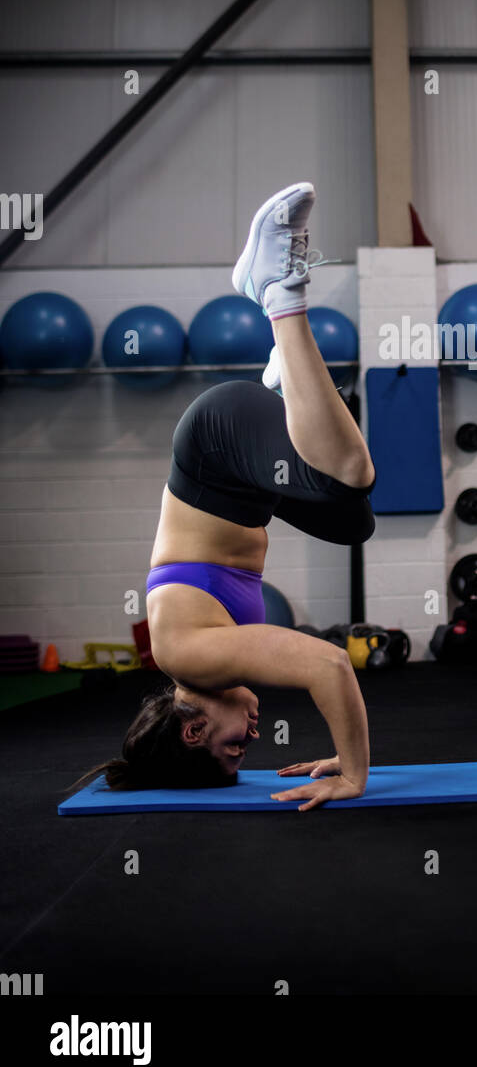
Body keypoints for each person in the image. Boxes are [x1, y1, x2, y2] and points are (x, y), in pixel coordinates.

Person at [76, 183, 376, 812]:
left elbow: (330, 667)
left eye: (234, 748)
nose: (254, 739)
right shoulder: (206, 664)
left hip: (216, 448)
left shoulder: (193, 657)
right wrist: (340, 750)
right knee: (352, 520)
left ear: (194, 730)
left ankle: (274, 287)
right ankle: (280, 376)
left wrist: (352, 773)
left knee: (349, 471)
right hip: (242, 482)